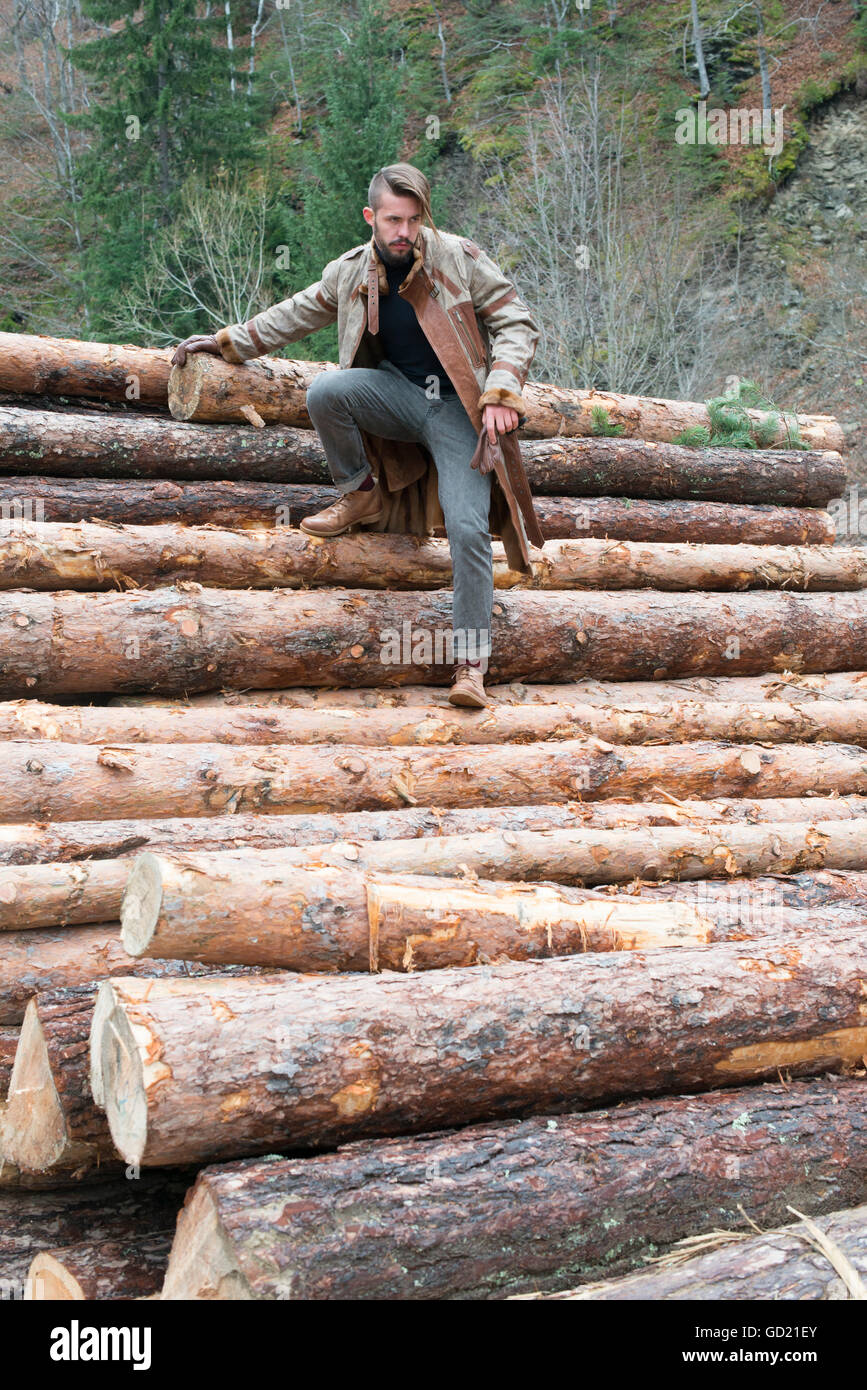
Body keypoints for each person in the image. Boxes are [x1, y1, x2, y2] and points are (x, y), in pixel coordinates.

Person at [172, 162, 543, 708]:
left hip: (457, 410)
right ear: (371, 217)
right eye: (394, 220)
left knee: (467, 531)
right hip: (395, 394)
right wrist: (228, 342)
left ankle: (470, 667)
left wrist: (502, 391)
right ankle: (360, 492)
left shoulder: (458, 257)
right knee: (326, 390)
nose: (404, 232)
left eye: (415, 221)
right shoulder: (350, 271)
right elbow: (294, 314)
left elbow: (518, 322)